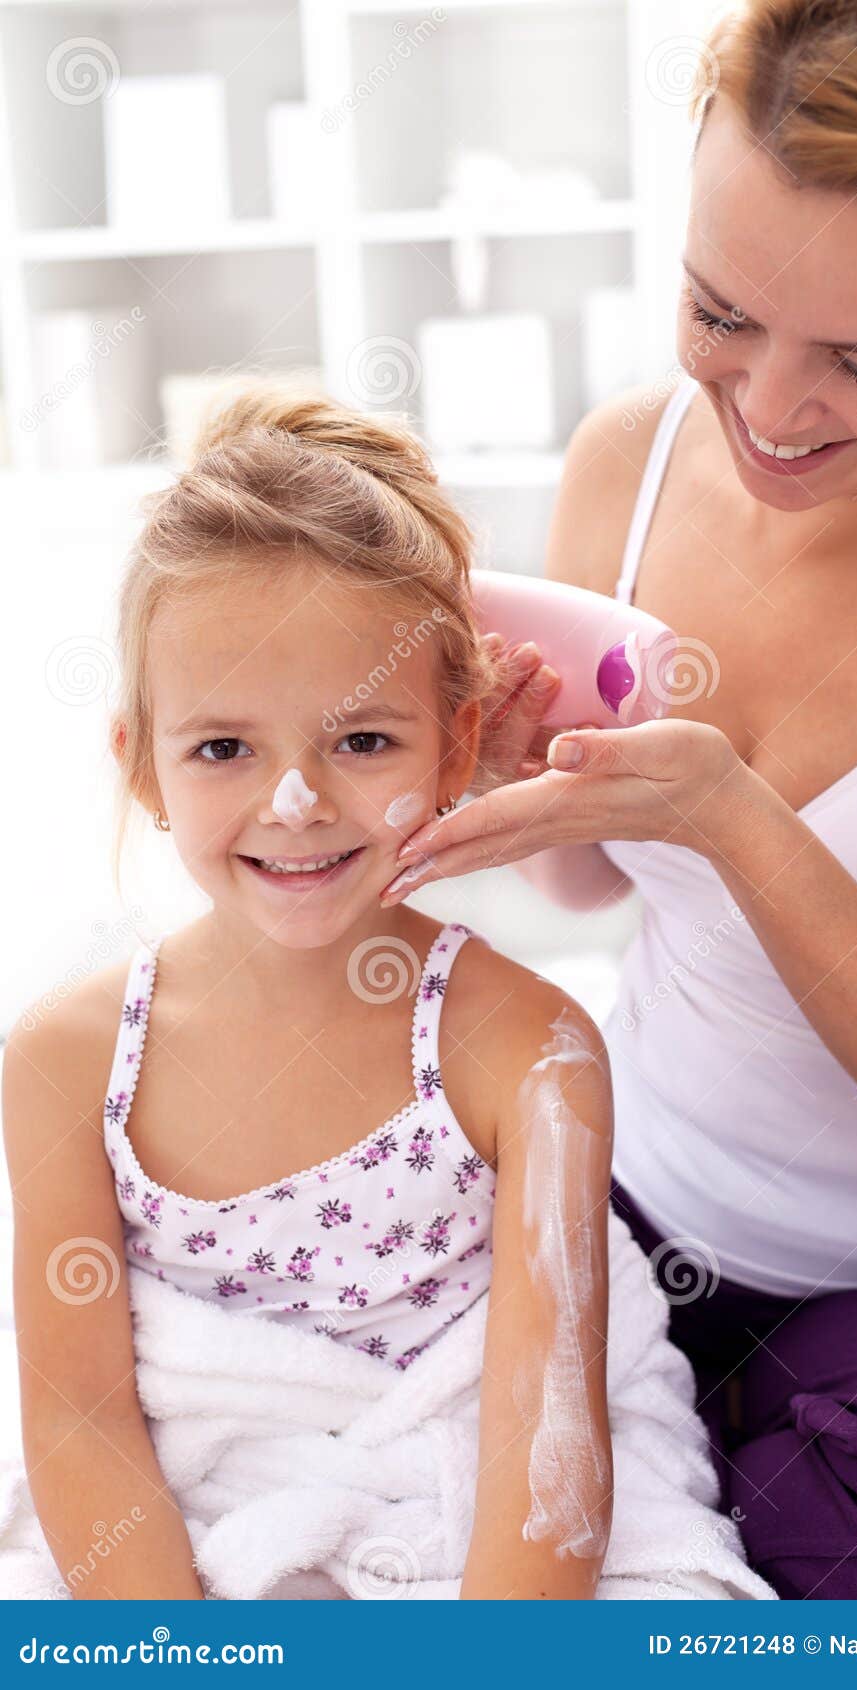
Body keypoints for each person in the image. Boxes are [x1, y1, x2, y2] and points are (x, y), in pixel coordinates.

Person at [379, 0, 857, 1598]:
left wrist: (728, 813)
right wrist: (539, 774)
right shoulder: (628, 463)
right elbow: (590, 892)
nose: (765, 405)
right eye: (717, 310)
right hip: (642, 1206)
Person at [1, 383, 615, 1600]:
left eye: (362, 741)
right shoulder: (63, 1060)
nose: (295, 803)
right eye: (224, 748)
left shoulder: (532, 1048)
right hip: (197, 1550)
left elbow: (548, 1450)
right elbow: (78, 1423)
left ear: (454, 744)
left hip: (461, 1544)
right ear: (144, 770)